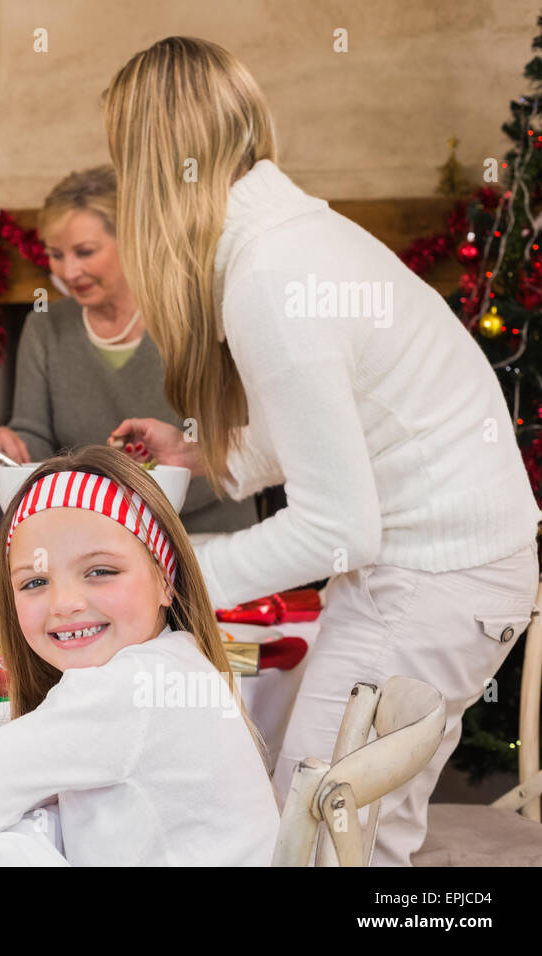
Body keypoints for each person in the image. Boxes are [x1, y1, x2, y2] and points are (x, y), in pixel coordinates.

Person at [102, 37, 541, 865]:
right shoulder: (290, 238)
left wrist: (171, 576)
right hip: (453, 569)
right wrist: (195, 452)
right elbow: (329, 430)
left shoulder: (272, 274)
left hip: (428, 581)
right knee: (355, 829)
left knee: (318, 840)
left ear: (153, 162)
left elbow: (337, 527)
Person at [0, 445, 279, 865]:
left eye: (100, 571)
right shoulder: (174, 663)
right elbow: (68, 726)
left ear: (166, 579)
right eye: (35, 582)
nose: (65, 603)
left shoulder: (126, 689)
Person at [0, 166, 256, 535]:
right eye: (56, 254)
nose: (69, 271)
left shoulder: (197, 316)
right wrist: (10, 446)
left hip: (208, 534)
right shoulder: (45, 326)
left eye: (85, 252)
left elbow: (242, 432)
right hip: (99, 533)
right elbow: (35, 435)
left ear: (132, 238)